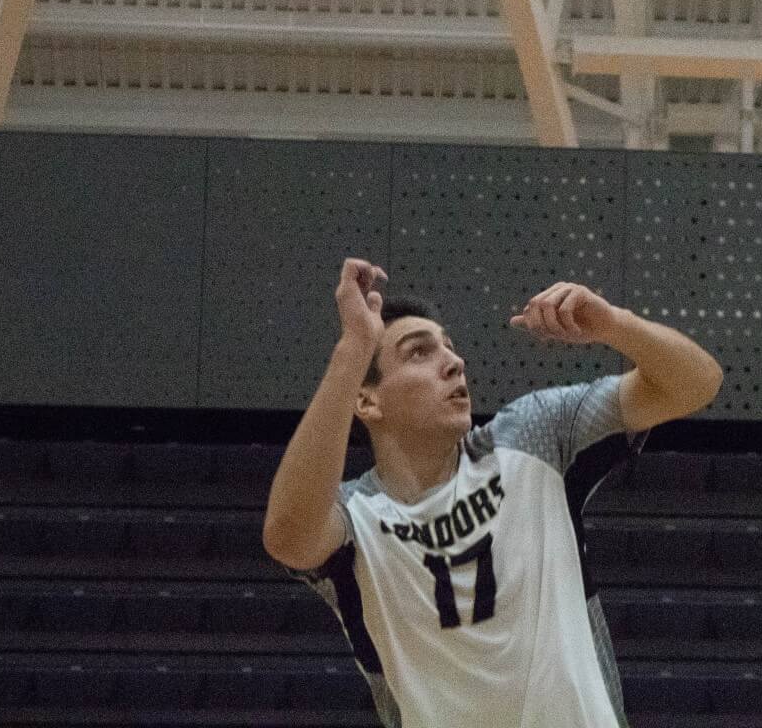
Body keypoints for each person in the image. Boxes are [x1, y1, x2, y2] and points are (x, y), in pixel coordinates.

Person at [262, 259, 724, 728]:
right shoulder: (356, 517)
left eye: (450, 348)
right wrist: (354, 348)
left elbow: (696, 384)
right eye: (419, 353)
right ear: (366, 400)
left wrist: (612, 324)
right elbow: (287, 536)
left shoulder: (533, 435)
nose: (454, 363)